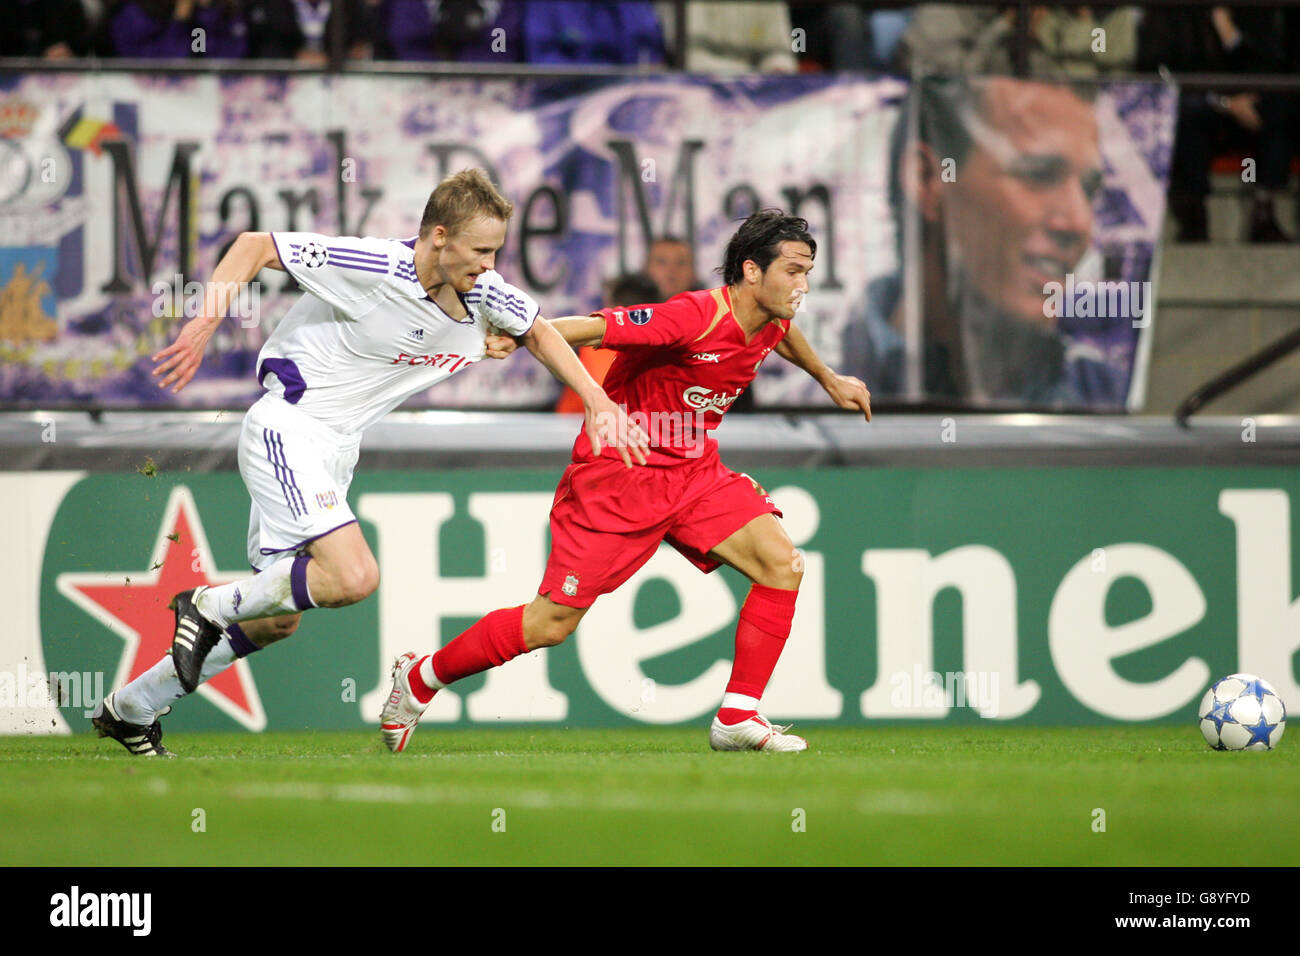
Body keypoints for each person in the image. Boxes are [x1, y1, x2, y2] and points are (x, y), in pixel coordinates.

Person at [91, 168, 646, 756]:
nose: (490, 263)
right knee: (354, 577)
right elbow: (255, 247)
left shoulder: (484, 292)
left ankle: (132, 708)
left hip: (334, 452)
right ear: (439, 237)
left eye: (496, 251)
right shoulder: (374, 267)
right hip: (290, 426)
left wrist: (596, 398)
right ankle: (204, 605)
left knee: (277, 618)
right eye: (480, 250)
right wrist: (206, 319)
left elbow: (538, 330)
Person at [380, 209, 871, 754]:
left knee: (782, 563)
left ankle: (737, 715)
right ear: (752, 272)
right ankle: (422, 677)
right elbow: (595, 327)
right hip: (620, 476)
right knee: (550, 623)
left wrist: (828, 378)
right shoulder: (692, 318)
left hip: (694, 473)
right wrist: (521, 336)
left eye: (808, 272)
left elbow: (783, 336)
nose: (803, 286)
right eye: (795, 271)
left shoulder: (771, 316)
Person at [842, 75, 1125, 407]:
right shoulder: (805, 387)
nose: (1080, 223)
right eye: (1038, 174)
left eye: (1089, 190)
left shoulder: (1103, 391)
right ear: (927, 180)